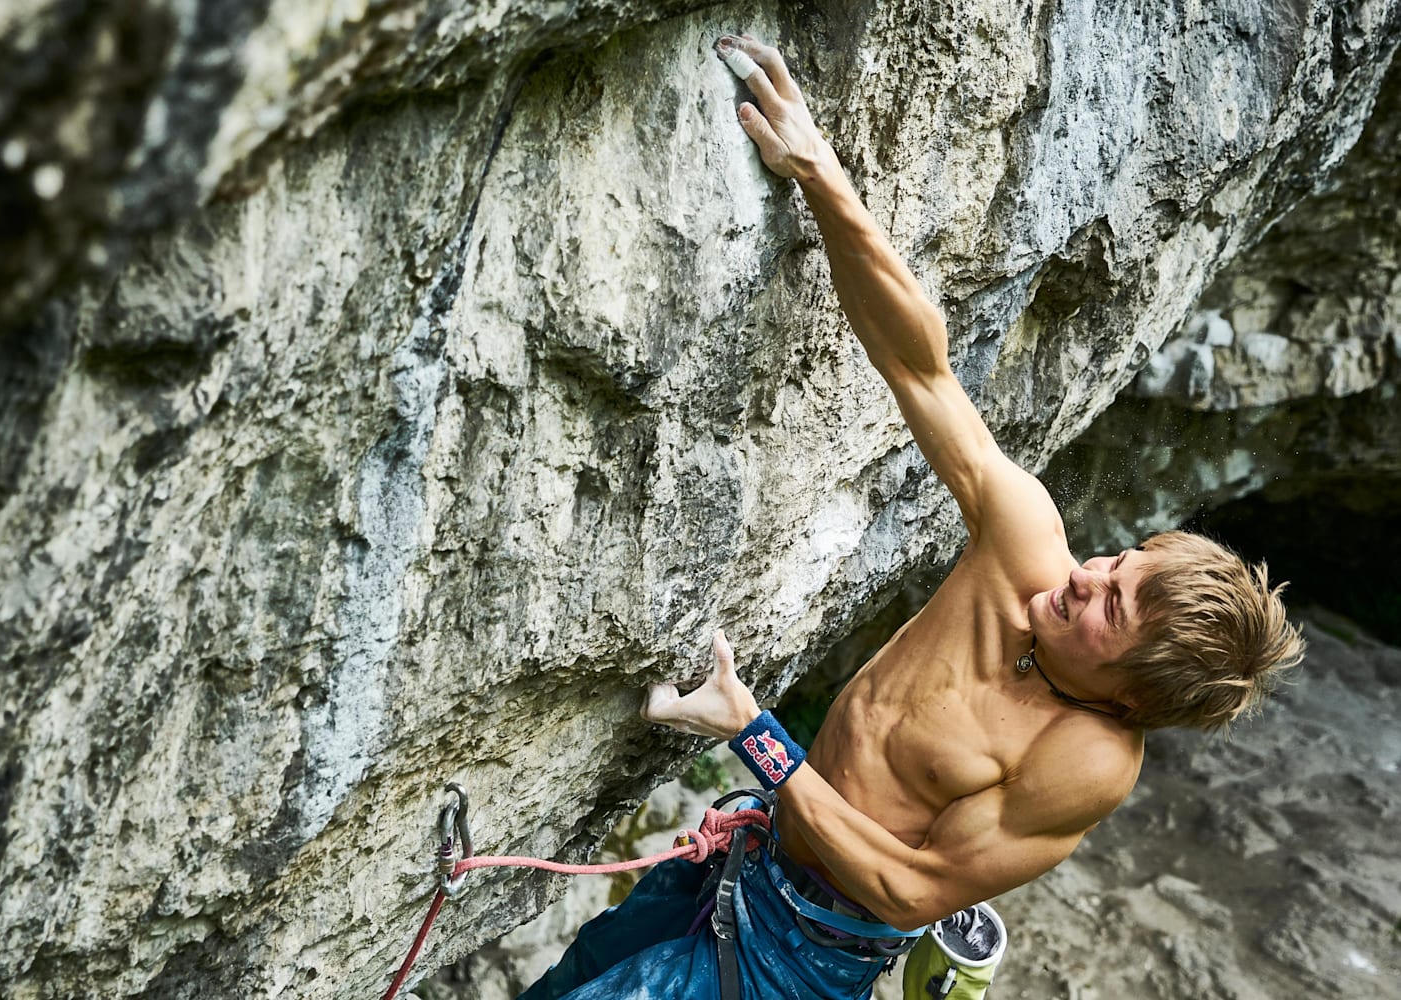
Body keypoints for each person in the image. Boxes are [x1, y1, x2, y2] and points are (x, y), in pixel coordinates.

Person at [519, 34, 1304, 1000]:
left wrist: (754, 733)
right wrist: (822, 174)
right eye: (1123, 560)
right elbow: (919, 366)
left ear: (1131, 694)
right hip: (742, 863)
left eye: (1114, 608)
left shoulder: (1087, 760)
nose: (1089, 575)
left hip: (799, 957)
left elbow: (909, 886)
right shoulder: (1027, 548)